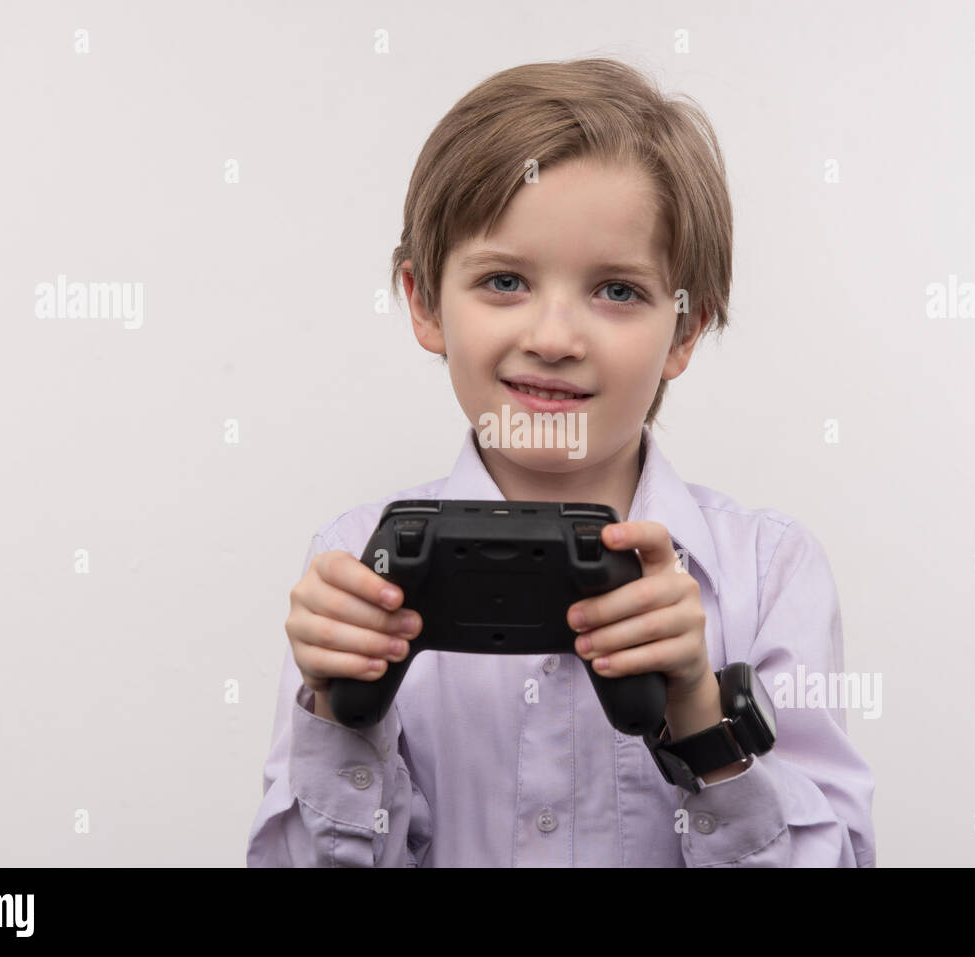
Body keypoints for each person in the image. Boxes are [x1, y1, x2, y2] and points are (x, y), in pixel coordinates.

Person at [247, 57, 875, 867]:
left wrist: (700, 713)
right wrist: (340, 712)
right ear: (425, 302)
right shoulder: (352, 560)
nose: (552, 337)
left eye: (617, 290)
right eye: (504, 280)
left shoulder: (771, 572)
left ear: (684, 331)